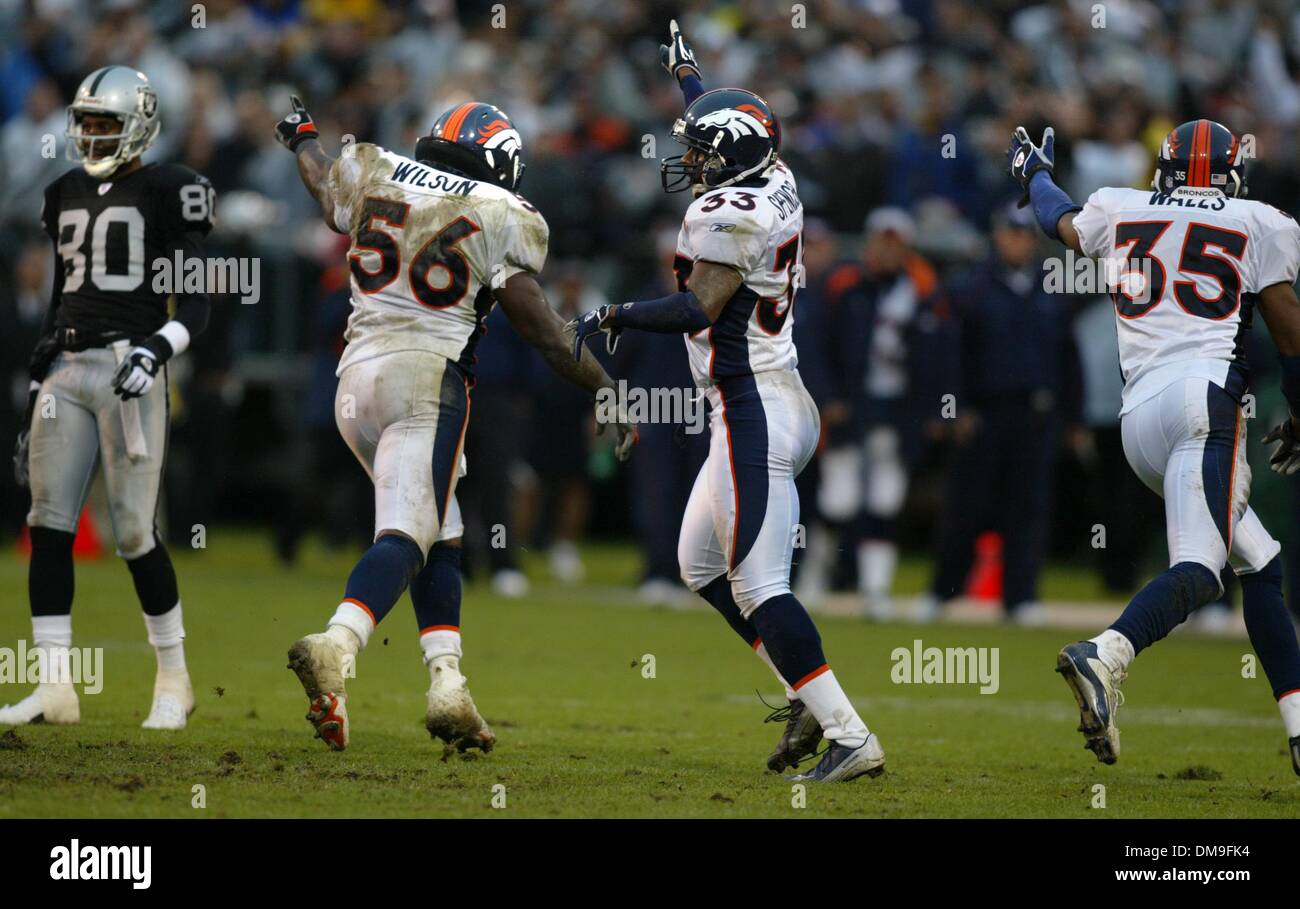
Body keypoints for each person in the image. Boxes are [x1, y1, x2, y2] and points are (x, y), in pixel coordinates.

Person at [569, 21, 884, 782]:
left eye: (703, 152)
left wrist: (613, 316)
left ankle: (851, 735)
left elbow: (695, 309)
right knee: (699, 562)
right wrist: (687, 72)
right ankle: (802, 692)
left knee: (759, 582)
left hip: (752, 409)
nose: (692, 161)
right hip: (766, 398)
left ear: (733, 155)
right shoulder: (775, 176)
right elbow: (725, 116)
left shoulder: (726, 213)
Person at [273, 96, 635, 752]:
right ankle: (339, 643)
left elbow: (325, 184)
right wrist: (608, 388)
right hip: (425, 380)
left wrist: (301, 137)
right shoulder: (500, 211)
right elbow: (548, 336)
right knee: (410, 534)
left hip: (353, 383)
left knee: (443, 532)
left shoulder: (376, 166)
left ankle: (449, 686)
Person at [1010, 119, 1300, 773]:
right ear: (1230, 176)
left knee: (1261, 561)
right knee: (1201, 568)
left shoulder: (1119, 203)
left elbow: (1058, 221)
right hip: (1203, 406)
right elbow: (1289, 330)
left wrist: (1033, 173)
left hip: (1138, 420)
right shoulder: (1262, 220)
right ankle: (1106, 652)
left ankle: (1299, 723)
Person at [2, 66, 212, 730]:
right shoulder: (63, 192)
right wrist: (37, 379)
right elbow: (60, 296)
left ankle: (174, 680)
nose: (92, 136)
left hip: (130, 366)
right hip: (66, 365)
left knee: (131, 531)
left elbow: (200, 306)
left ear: (140, 125)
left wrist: (157, 347)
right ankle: (56, 686)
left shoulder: (169, 189)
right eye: (86, 124)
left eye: (106, 124)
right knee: (48, 524)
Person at [920, 200, 1082, 624]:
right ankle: (943, 591)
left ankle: (1021, 597)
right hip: (983, 413)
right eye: (1011, 232)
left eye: (1026, 233)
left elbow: (1068, 358)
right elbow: (949, 353)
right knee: (966, 506)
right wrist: (955, 409)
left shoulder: (1051, 291)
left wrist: (1074, 418)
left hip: (1035, 415)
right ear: (997, 234)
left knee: (1027, 507)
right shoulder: (969, 287)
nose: (1018, 240)